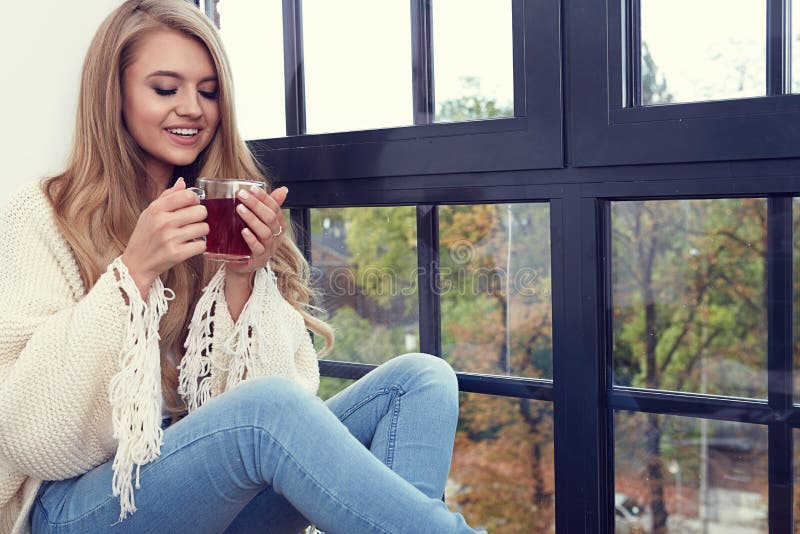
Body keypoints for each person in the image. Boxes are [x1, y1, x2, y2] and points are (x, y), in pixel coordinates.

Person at [0, 1, 484, 533]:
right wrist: (132, 272)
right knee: (268, 412)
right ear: (113, 94)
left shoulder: (224, 209)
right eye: (165, 89)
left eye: (208, 91)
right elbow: (32, 436)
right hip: (79, 506)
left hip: (205, 485)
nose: (193, 109)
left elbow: (277, 409)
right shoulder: (46, 213)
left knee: (421, 380)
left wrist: (244, 278)